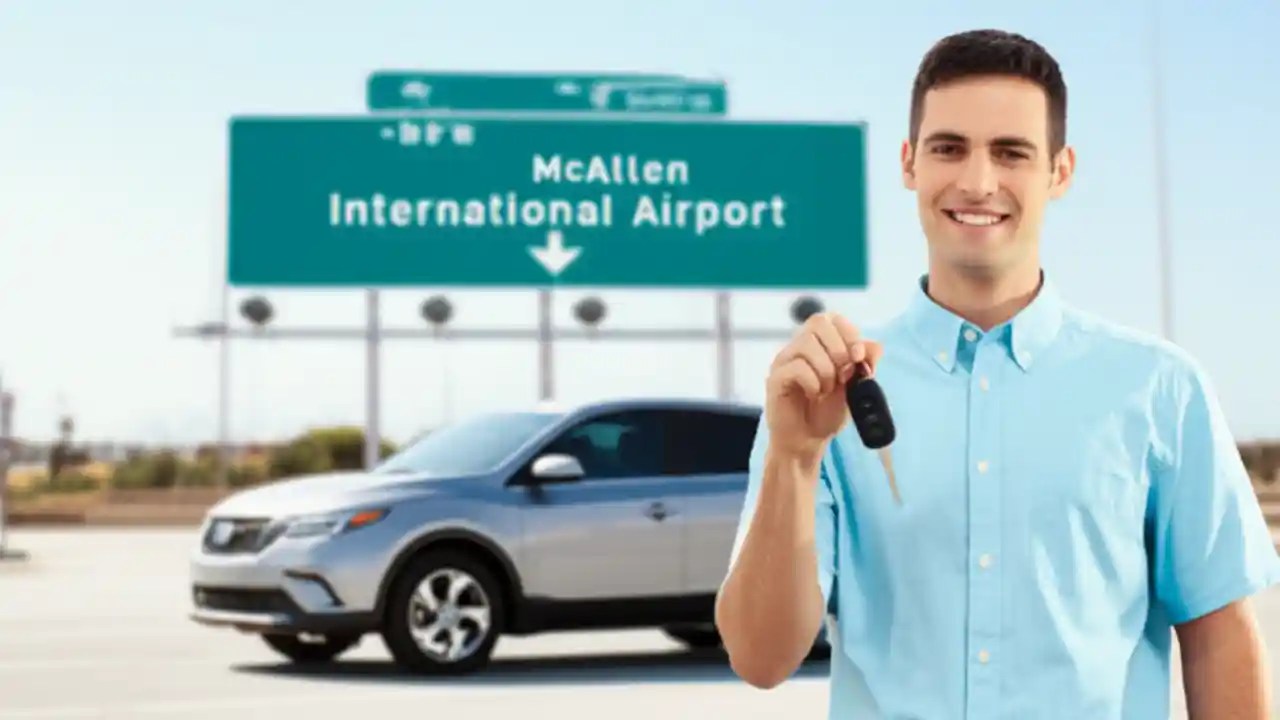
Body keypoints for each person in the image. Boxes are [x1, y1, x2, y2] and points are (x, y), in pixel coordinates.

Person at [715, 28, 1280, 719]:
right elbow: (760, 660)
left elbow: (1218, 634)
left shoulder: (1160, 389)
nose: (977, 182)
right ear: (909, 164)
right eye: (948, 148)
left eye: (1010, 153)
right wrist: (795, 461)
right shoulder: (825, 395)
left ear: (1059, 171)